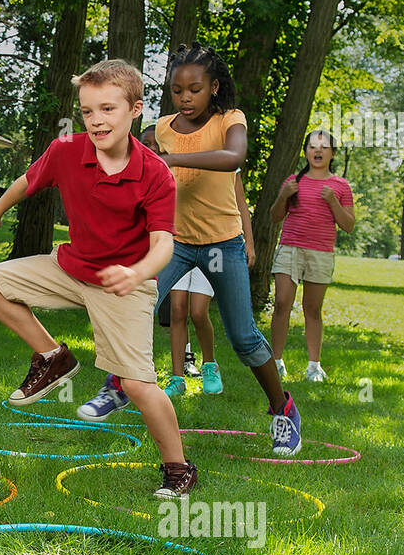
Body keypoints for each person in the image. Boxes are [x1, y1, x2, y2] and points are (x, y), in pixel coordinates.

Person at [0, 59, 199, 499]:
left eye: (108, 109)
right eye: (88, 110)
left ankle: (179, 468)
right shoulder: (65, 151)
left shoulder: (155, 173)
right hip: (70, 267)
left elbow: (164, 245)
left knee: (135, 384)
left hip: (126, 282)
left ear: (135, 110)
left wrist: (136, 272)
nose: (96, 120)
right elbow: (27, 179)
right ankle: (52, 358)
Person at [142, 41, 302, 456]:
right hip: (174, 242)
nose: (185, 97)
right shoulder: (160, 129)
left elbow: (235, 156)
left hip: (222, 244)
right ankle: (117, 388)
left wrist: (173, 160)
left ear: (213, 86)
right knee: (136, 307)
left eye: (194, 89)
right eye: (177, 90)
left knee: (244, 338)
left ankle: (282, 408)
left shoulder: (231, 119)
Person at [269, 129, 355, 381]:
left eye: (324, 147)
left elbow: (348, 225)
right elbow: (275, 216)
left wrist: (332, 202)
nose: (317, 151)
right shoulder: (293, 182)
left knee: (312, 309)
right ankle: (276, 362)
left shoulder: (340, 186)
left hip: (320, 253)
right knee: (282, 302)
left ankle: (314, 366)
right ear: (305, 151)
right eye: (313, 147)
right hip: (290, 248)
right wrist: (284, 196)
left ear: (333, 153)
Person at [165, 172, 255, 397]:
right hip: (180, 243)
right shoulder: (177, 155)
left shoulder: (226, 162)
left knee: (197, 312)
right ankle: (177, 378)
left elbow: (240, 203)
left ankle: (209, 365)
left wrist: (249, 243)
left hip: (213, 247)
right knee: (177, 310)